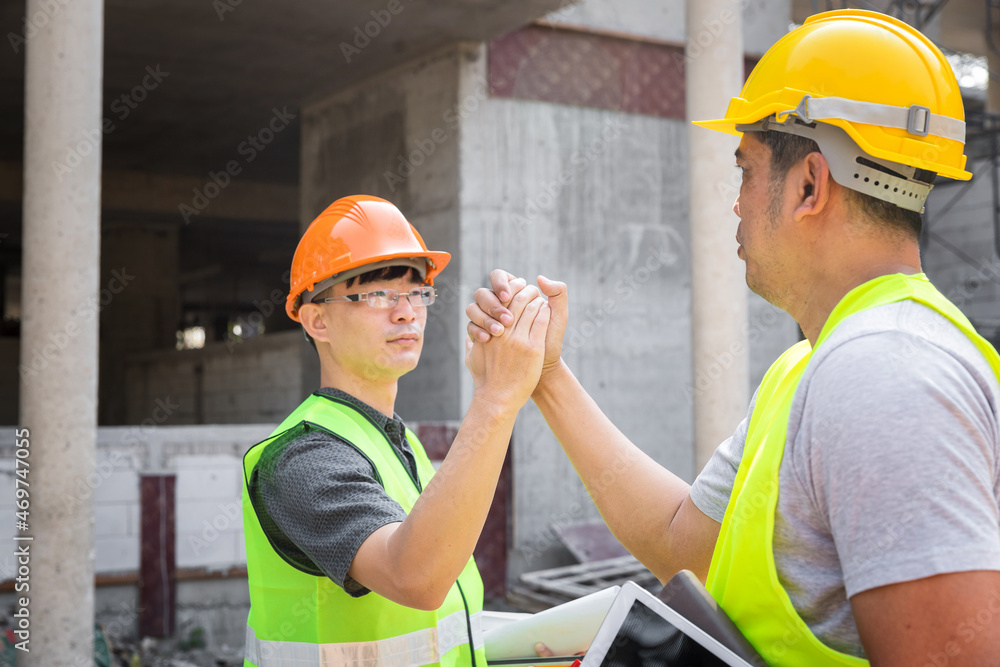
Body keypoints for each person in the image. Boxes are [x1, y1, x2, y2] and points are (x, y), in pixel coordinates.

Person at [467, 10, 1000, 666]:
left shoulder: (885, 373)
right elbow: (680, 539)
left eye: (745, 170)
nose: (736, 202)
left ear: (810, 184)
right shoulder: (811, 368)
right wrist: (547, 376)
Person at [241, 194, 549, 667]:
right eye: (377, 293)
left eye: (416, 292)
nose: (406, 312)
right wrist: (497, 396)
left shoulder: (394, 443)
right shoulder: (301, 459)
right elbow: (416, 577)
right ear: (316, 319)